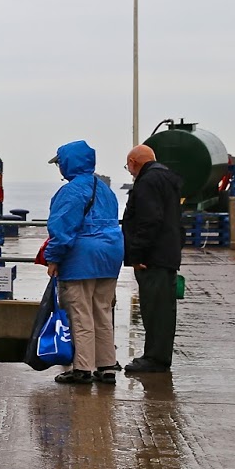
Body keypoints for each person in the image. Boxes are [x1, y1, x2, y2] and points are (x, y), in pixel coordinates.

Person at [44, 140, 125, 385]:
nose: (59, 168)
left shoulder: (70, 191)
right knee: (102, 310)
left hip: (81, 257)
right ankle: (107, 365)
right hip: (110, 255)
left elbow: (62, 228)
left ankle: (82, 368)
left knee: (80, 313)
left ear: (68, 164)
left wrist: (53, 258)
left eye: (60, 163)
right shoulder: (105, 189)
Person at [122, 144, 184, 374]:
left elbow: (148, 221)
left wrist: (137, 254)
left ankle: (155, 359)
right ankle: (157, 356)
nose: (129, 171)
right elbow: (175, 219)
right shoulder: (167, 179)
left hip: (153, 258)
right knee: (164, 311)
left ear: (134, 162)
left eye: (128, 166)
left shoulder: (147, 182)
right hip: (166, 254)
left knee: (155, 310)